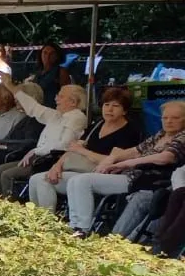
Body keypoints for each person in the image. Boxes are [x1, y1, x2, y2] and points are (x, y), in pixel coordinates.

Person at [62, 101, 185, 237]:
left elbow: (166, 157)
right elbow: (135, 150)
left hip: (148, 181)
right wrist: (111, 159)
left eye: (175, 118)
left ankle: (82, 229)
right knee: (75, 181)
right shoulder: (161, 135)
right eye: (165, 118)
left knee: (83, 181)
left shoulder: (182, 137)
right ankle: (74, 224)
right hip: (132, 176)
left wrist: (125, 164)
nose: (169, 121)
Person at [0, 75, 87, 197]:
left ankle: (13, 209)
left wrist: (36, 151)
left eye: (60, 96)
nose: (56, 98)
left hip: (51, 161)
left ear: (73, 102)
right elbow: (33, 107)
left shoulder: (77, 117)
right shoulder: (56, 115)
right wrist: (10, 86)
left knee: (6, 175)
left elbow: (63, 145)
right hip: (38, 159)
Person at [32, 43, 71, 107]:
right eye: (45, 53)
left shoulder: (61, 71)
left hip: (53, 111)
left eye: (52, 54)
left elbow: (67, 95)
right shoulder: (38, 71)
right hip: (37, 110)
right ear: (41, 54)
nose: (47, 56)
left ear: (57, 56)